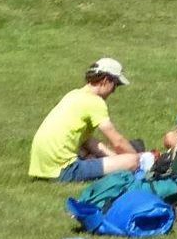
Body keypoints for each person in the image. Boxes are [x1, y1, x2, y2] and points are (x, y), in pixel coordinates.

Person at [28, 58, 156, 182]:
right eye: (115, 85)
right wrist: (138, 159)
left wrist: (116, 159)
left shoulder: (74, 94)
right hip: (63, 170)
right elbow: (117, 142)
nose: (114, 91)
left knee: (89, 151)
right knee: (131, 161)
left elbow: (88, 141)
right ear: (106, 80)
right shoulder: (95, 102)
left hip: (41, 168)